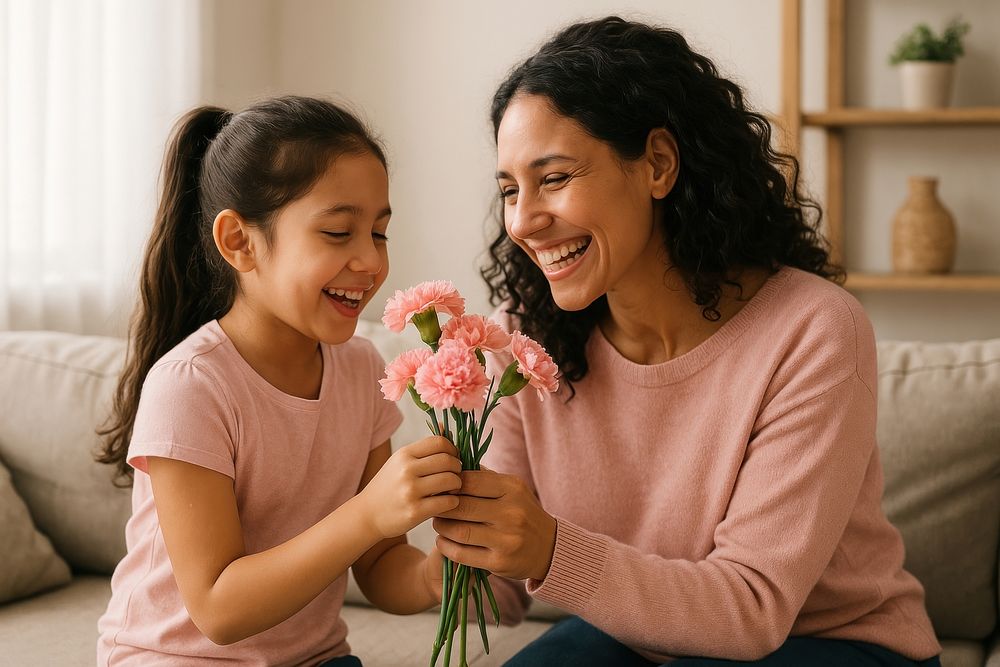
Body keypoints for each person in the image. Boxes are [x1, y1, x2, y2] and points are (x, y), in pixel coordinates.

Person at [431, 16, 943, 666]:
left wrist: (550, 549)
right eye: (509, 189)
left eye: (554, 178)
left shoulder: (813, 330)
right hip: (643, 638)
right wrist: (393, 521)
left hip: (830, 640)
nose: (524, 221)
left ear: (659, 165)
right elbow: (493, 592)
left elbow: (752, 607)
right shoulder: (525, 339)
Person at [95, 96, 461, 666]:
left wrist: (439, 575)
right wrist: (367, 514)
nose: (370, 261)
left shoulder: (362, 369)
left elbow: (381, 565)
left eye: (380, 233)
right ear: (240, 241)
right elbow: (219, 609)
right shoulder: (191, 385)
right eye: (339, 232)